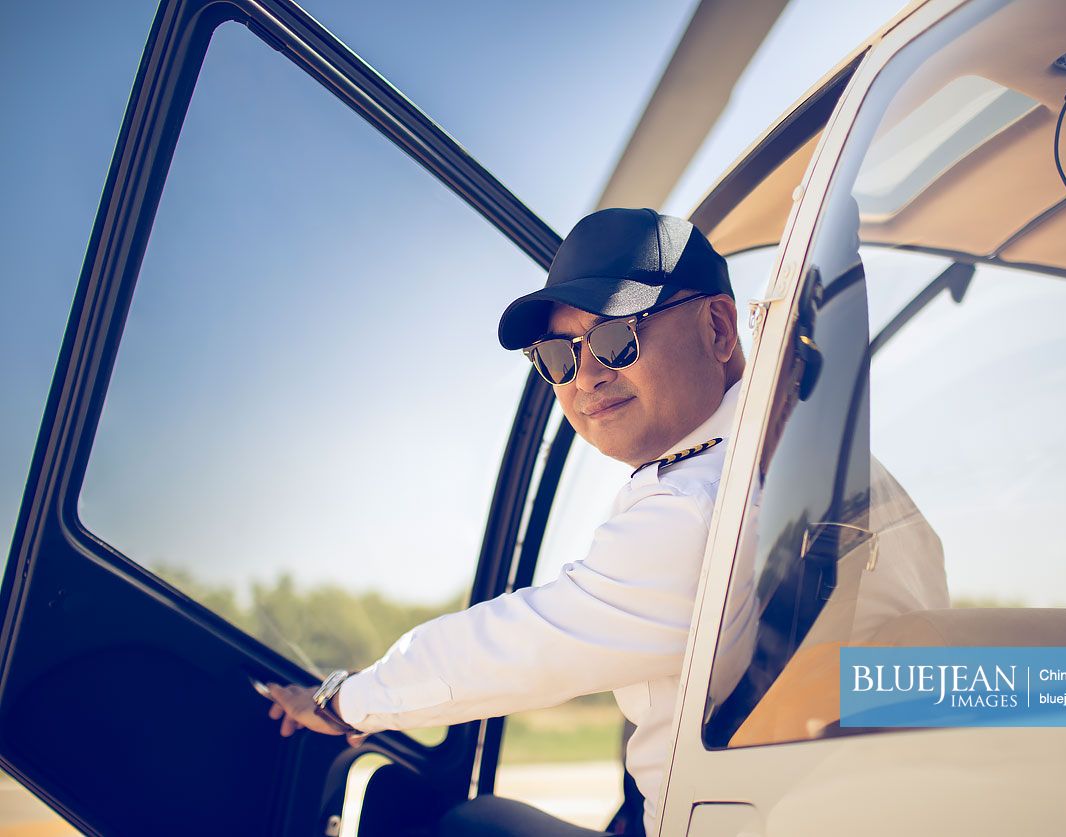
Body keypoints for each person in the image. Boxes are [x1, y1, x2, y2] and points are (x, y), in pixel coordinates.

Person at [265, 207, 745, 837]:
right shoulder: (789, 455)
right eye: (557, 355)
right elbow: (909, 681)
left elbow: (515, 650)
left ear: (717, 327)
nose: (587, 376)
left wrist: (343, 702)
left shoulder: (704, 505)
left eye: (615, 337)